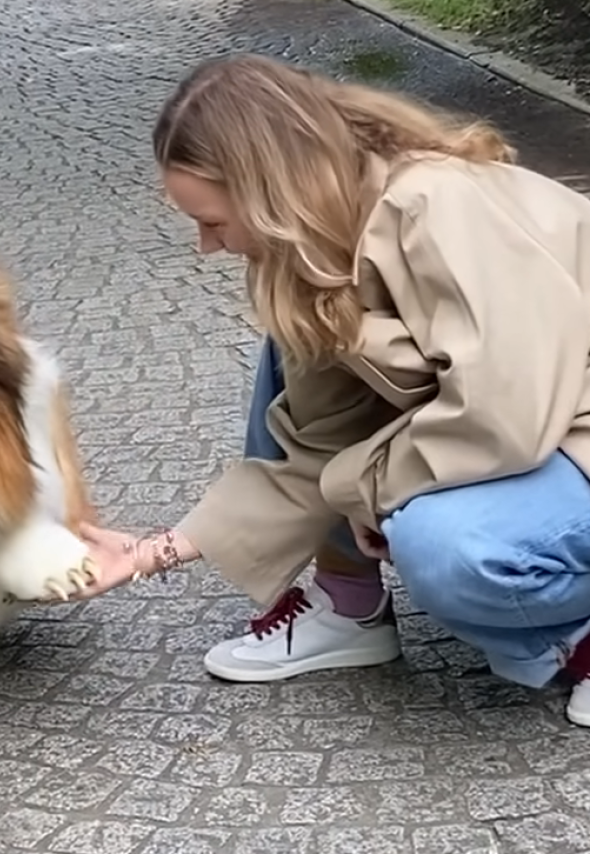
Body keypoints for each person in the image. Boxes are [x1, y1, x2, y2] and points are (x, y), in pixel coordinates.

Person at [75, 53, 590, 728]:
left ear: (269, 192)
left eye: (213, 221)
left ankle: (573, 641)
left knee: (448, 545)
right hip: (535, 440)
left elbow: (503, 419)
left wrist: (364, 487)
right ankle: (350, 609)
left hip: (561, 433)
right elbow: (313, 442)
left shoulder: (438, 205)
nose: (207, 246)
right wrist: (152, 552)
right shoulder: (311, 255)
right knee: (290, 356)